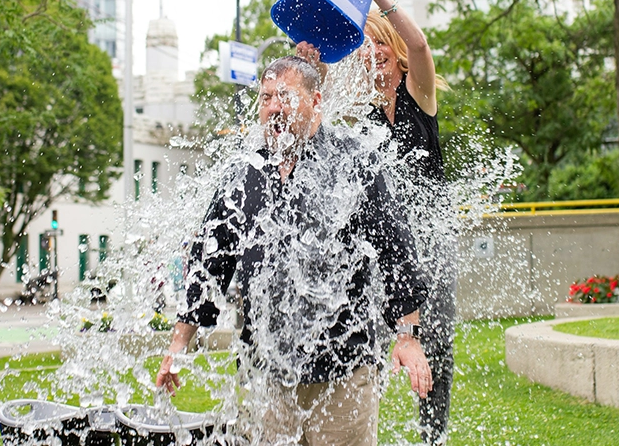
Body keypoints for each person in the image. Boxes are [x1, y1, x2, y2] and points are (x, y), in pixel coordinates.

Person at [156, 56, 431, 446]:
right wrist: (178, 346)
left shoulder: (353, 162)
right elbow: (208, 265)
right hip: (266, 373)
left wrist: (407, 336)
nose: (273, 107)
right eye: (266, 97)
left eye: (285, 96)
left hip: (343, 370)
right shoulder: (243, 173)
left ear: (316, 100)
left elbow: (396, 250)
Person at [297, 0, 456, 444]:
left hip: (431, 243)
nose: (375, 53)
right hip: (387, 247)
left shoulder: (418, 96)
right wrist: (310, 64)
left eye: (382, 43)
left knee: (436, 345)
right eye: (368, 46)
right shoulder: (359, 118)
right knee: (371, 338)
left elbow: (423, 47)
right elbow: (316, 123)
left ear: (396, 53)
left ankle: (432, 437)